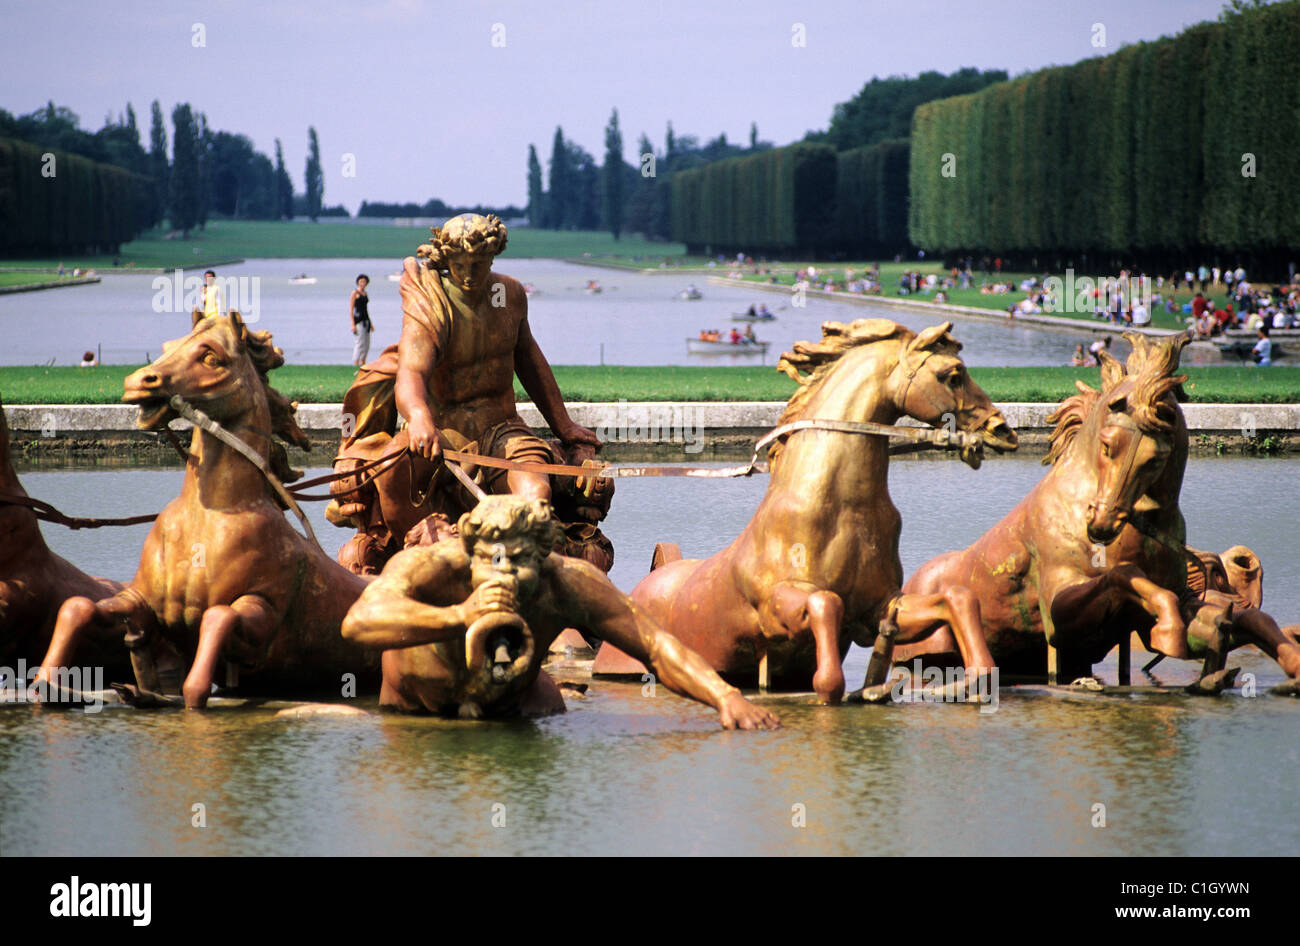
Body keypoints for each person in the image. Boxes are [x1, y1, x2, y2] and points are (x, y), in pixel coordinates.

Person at [340, 495, 780, 728]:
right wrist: (460, 615)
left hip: (514, 708)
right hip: (419, 709)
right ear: (469, 552)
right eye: (491, 561)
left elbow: (657, 646)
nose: (503, 574)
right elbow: (359, 622)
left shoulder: (569, 582)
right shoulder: (432, 566)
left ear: (544, 555)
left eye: (517, 562)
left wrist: (726, 697)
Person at [397, 214, 600, 504]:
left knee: (535, 495)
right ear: (446, 259)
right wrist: (417, 415)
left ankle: (530, 545)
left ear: (493, 256)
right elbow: (410, 372)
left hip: (504, 432)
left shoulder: (507, 294)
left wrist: (564, 425)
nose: (468, 275)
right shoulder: (432, 303)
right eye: (459, 266)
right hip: (444, 435)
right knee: (399, 490)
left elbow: (529, 360)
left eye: (477, 266)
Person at [350, 274, 373, 367]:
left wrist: (371, 323)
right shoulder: (355, 293)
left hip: (366, 320)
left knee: (367, 343)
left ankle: (363, 361)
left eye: (364, 282)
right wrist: (352, 324)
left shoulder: (365, 293)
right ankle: (355, 362)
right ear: (358, 282)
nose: (363, 283)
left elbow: (366, 309)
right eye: (361, 281)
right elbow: (351, 309)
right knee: (359, 342)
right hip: (358, 321)